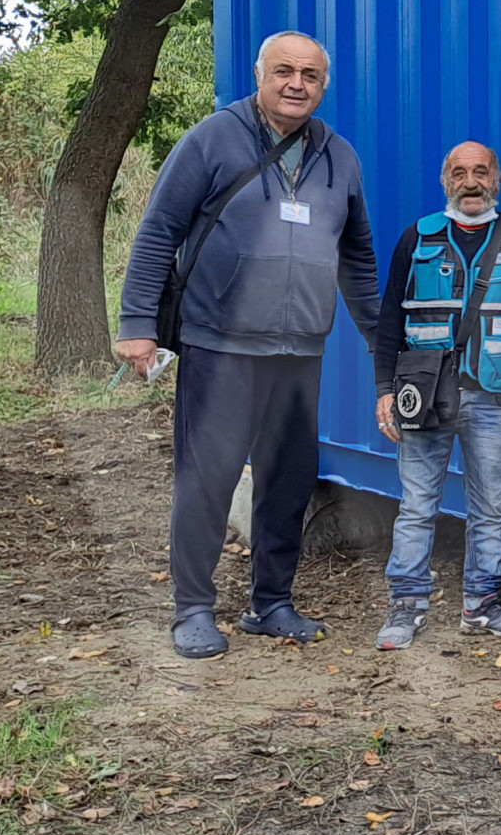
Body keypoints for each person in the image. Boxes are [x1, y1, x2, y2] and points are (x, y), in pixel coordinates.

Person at [117, 32, 381, 660]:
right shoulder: (212, 139)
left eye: (311, 75)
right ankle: (194, 609)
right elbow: (159, 231)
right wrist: (136, 323)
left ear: (324, 84)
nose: (297, 84)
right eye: (284, 71)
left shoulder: (339, 156)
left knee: (289, 479)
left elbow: (359, 257)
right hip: (221, 344)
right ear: (261, 75)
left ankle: (272, 603)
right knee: (207, 478)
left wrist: (382, 341)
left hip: (299, 350)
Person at [371, 141, 501, 648]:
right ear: (444, 180)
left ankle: (483, 604)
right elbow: (390, 323)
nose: (470, 181)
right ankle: (406, 608)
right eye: (459, 172)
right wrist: (385, 390)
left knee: (490, 507)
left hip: (497, 399)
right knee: (416, 505)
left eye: (480, 171)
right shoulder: (418, 237)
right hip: (424, 398)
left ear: (496, 179)